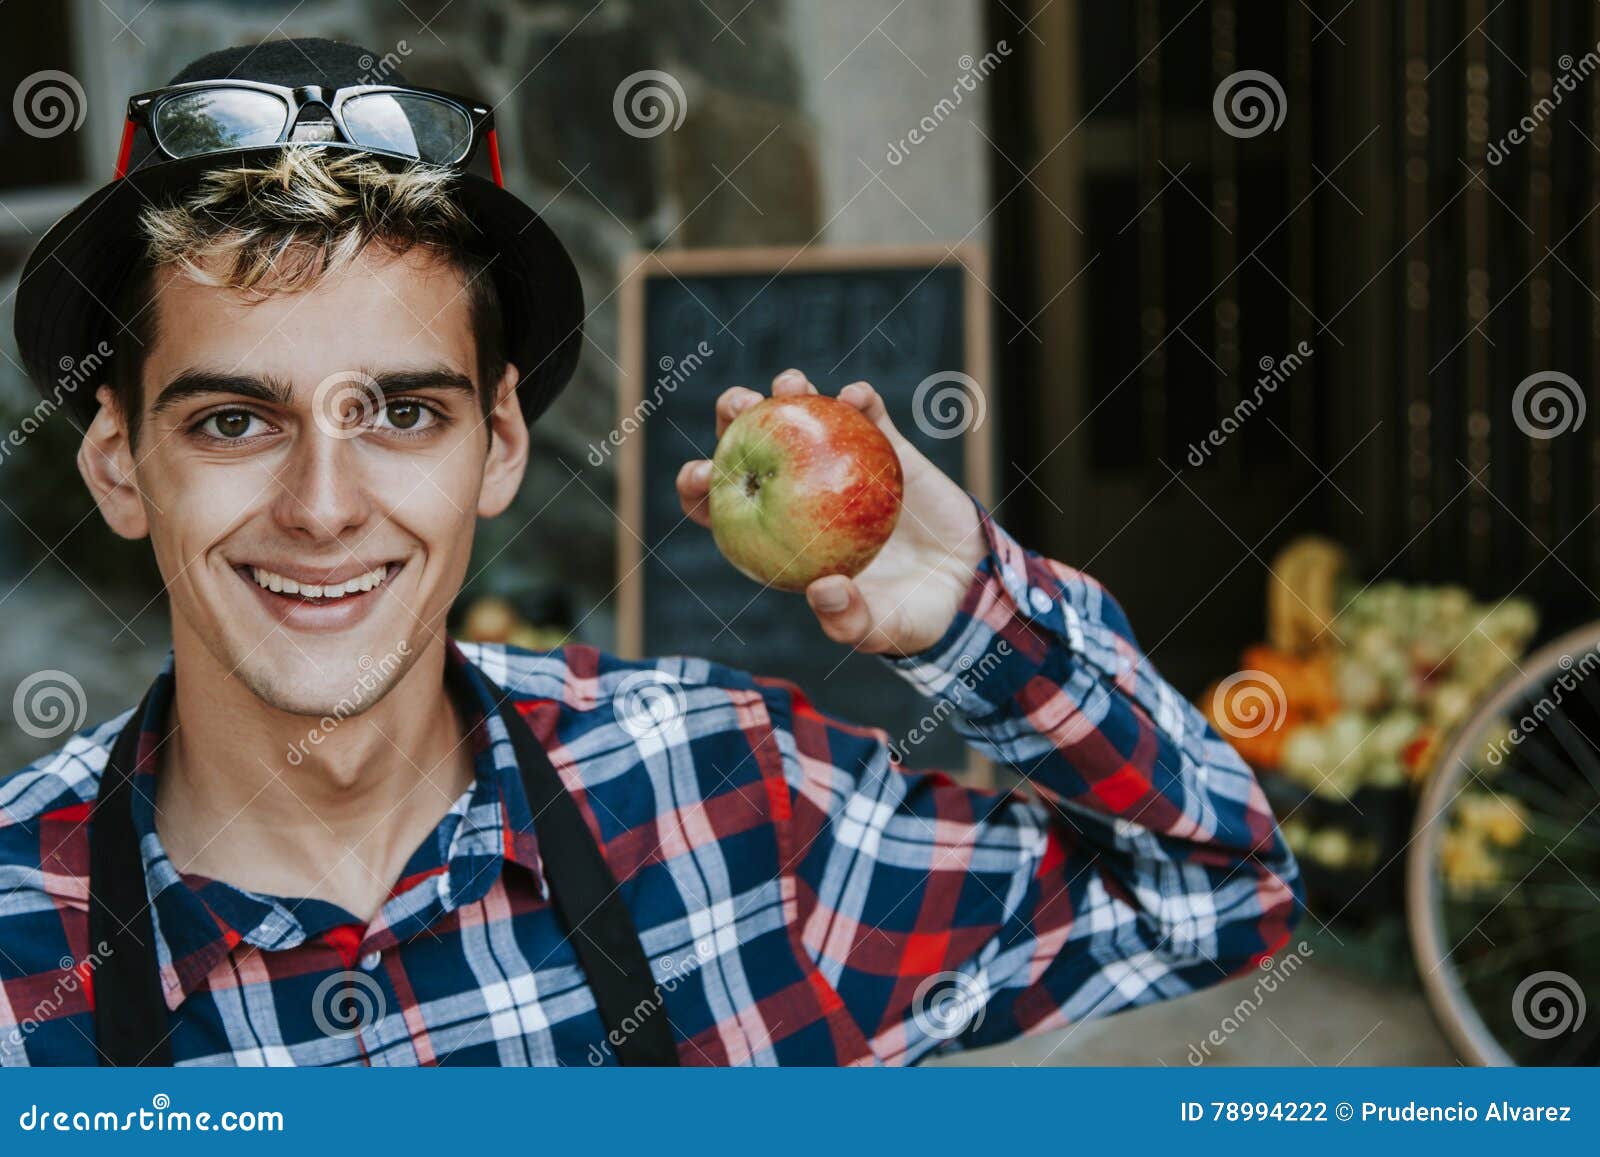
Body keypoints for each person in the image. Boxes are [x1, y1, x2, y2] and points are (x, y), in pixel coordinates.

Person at [1, 38, 1301, 1067]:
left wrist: (976, 613)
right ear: (118, 462)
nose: (325, 506)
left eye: (403, 412)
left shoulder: (726, 797)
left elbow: (1220, 890)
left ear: (500, 445)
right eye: (235, 420)